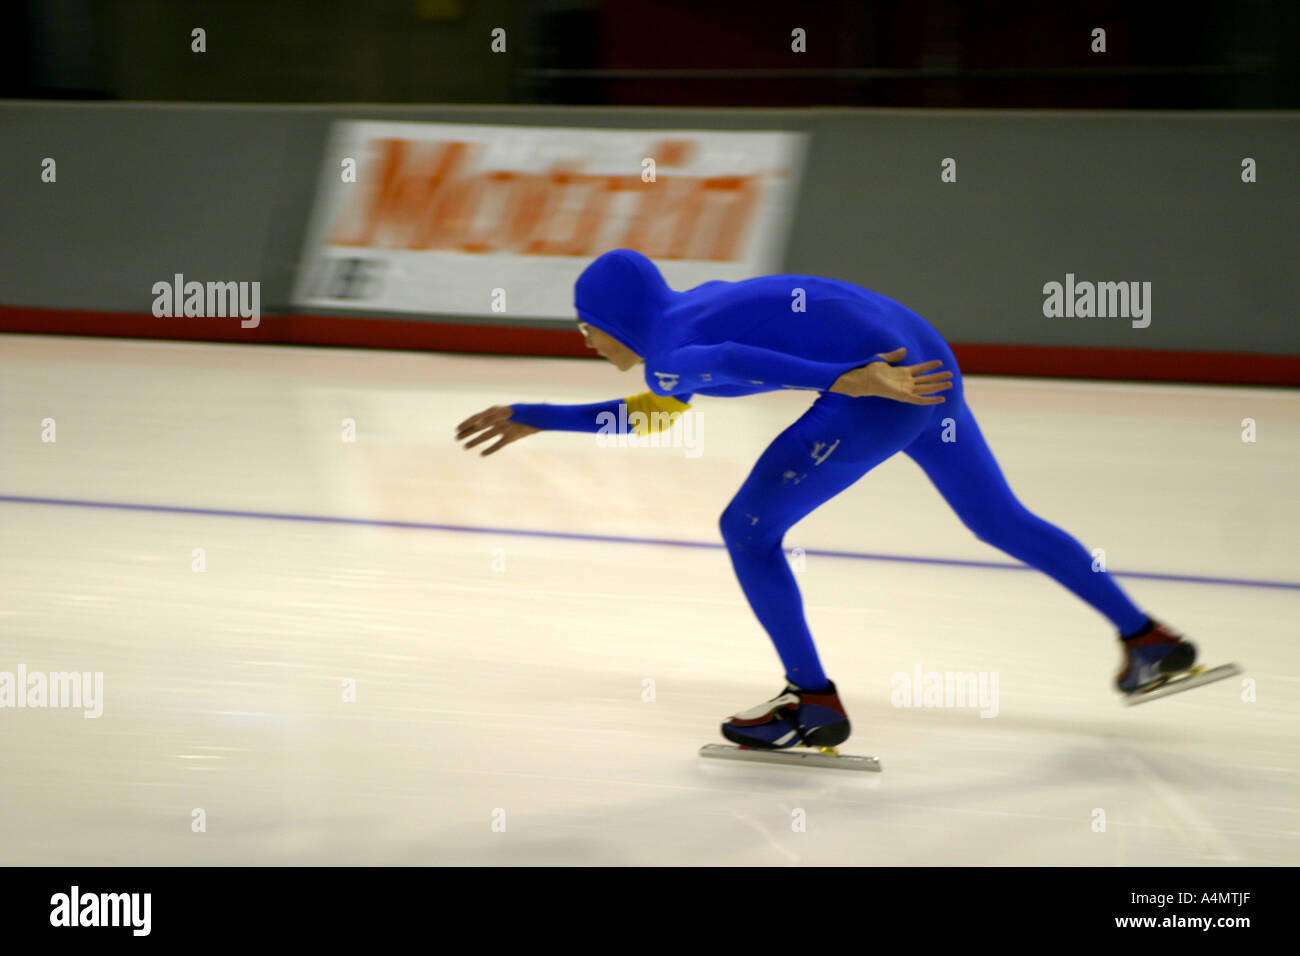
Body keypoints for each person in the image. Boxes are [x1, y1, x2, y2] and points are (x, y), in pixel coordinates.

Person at [455, 249, 1196, 750]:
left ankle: (811, 703)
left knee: (745, 529)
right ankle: (1147, 640)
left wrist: (849, 378)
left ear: (610, 321)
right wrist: (540, 416)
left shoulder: (679, 354)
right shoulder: (688, 318)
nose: (584, 341)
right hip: (928, 364)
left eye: (584, 327)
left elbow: (725, 361)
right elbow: (657, 408)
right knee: (998, 519)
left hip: (880, 381)